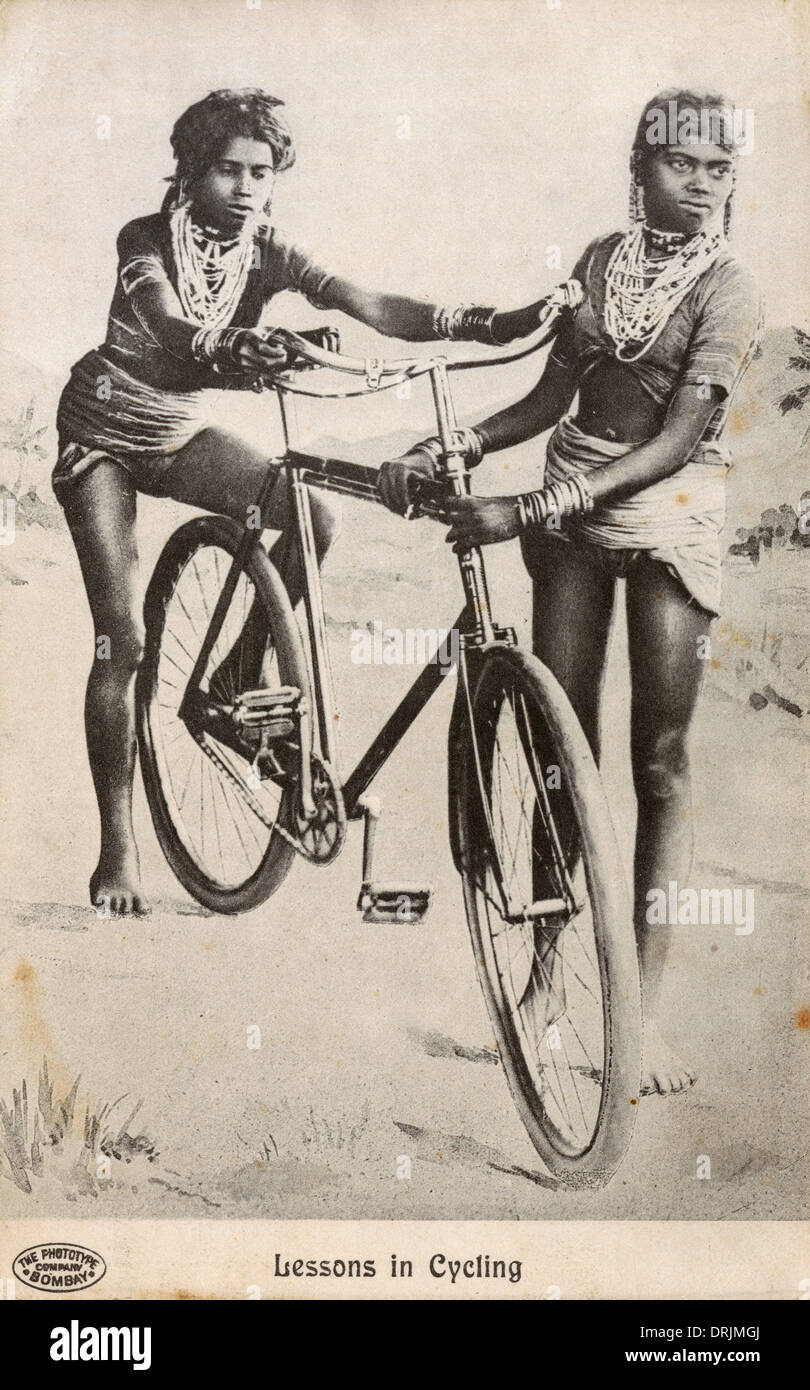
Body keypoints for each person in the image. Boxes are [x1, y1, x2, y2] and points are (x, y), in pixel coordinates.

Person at [54, 88, 551, 920]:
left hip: (175, 434)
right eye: (228, 170)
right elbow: (167, 325)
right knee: (124, 639)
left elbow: (371, 305)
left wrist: (485, 324)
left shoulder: (267, 250)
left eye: (263, 172)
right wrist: (231, 344)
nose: (249, 188)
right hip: (101, 432)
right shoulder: (144, 240)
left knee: (315, 516)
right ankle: (118, 845)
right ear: (188, 173)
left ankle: (237, 676)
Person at [378, 89, 763, 1097]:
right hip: (573, 504)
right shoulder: (602, 262)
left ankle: (642, 1019)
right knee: (559, 742)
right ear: (637, 166)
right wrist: (464, 441)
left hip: (668, 511)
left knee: (662, 761)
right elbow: (555, 397)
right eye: (683, 165)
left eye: (721, 170)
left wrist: (531, 506)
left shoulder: (731, 289)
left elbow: (679, 442)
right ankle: (549, 982)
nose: (704, 184)